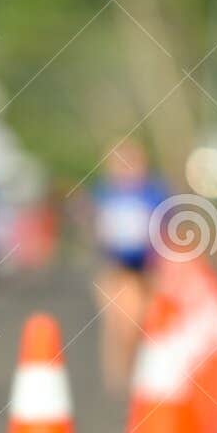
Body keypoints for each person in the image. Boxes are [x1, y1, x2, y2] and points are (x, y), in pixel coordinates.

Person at [92, 139, 168, 394]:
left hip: (146, 270)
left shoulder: (154, 193)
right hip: (116, 269)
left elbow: (165, 231)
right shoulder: (104, 193)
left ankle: (134, 373)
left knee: (139, 323)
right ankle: (118, 377)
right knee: (118, 322)